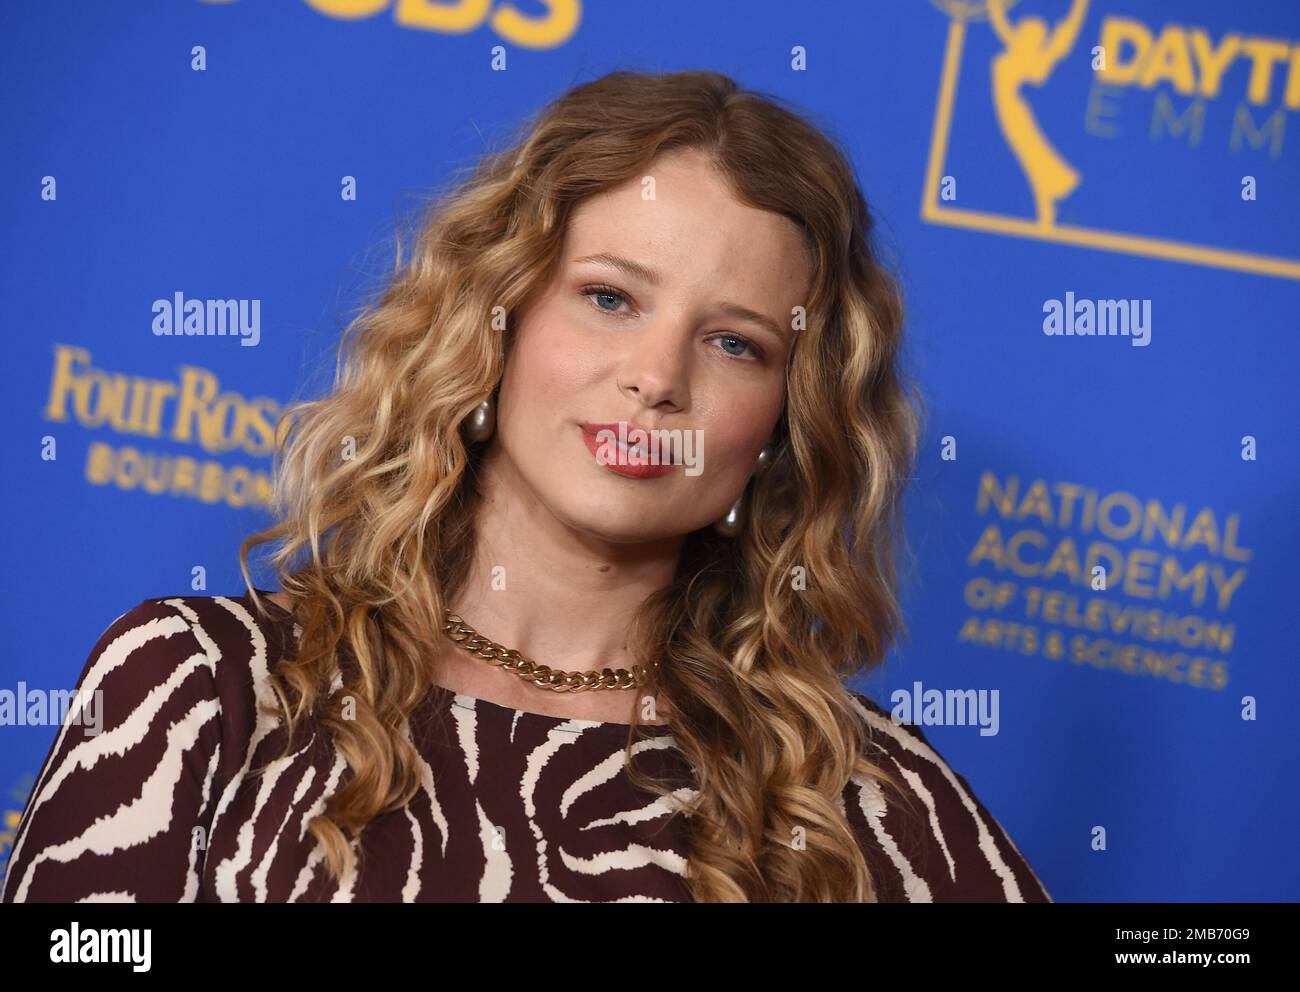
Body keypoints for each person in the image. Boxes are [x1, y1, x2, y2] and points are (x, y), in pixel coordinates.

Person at [2, 69, 1049, 903]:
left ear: (785, 421)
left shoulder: (854, 796)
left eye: (734, 342)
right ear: (495, 318)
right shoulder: (205, 686)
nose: (655, 376)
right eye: (608, 296)